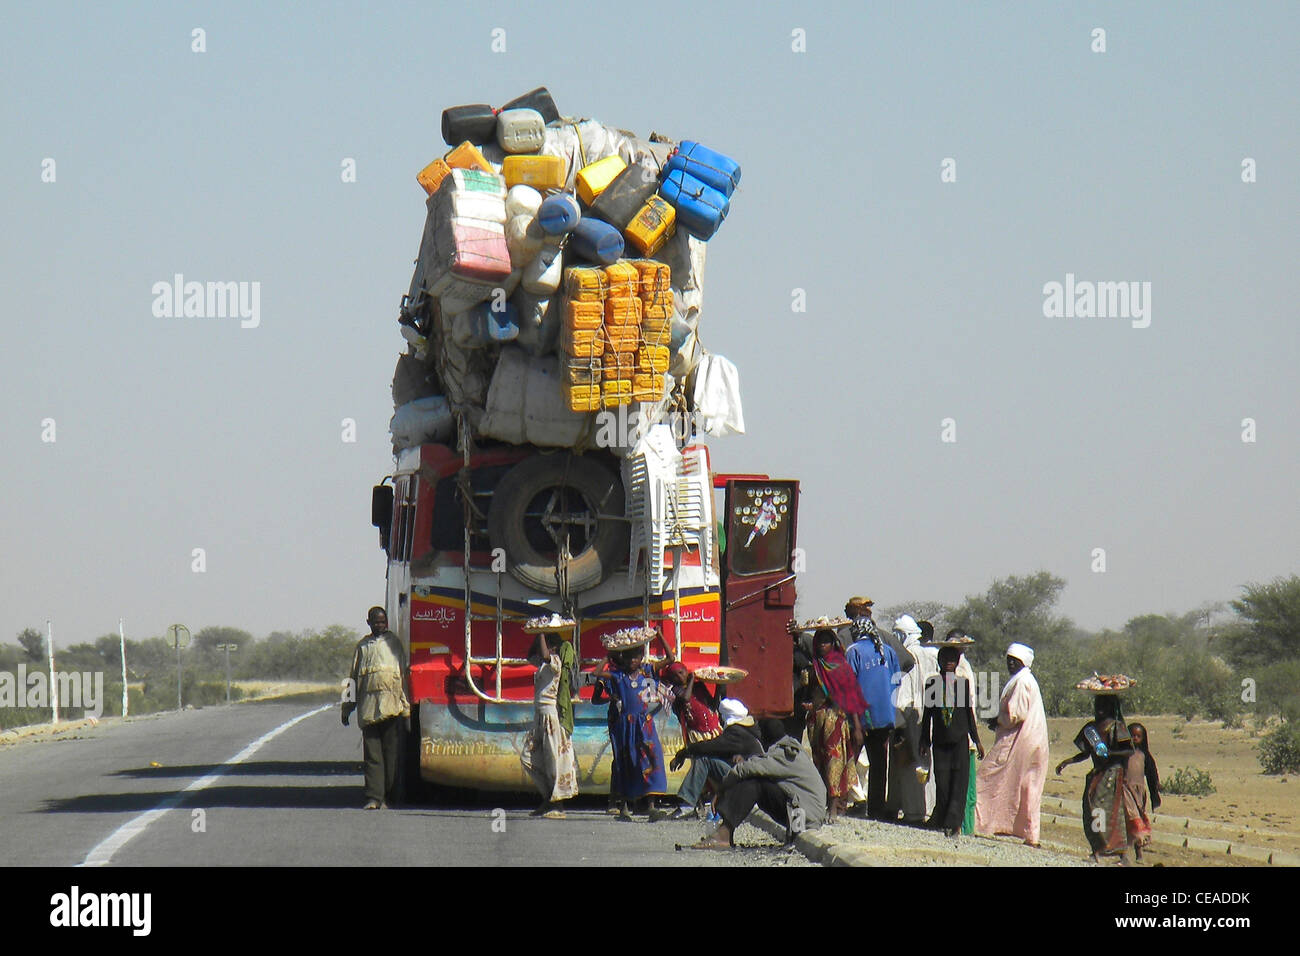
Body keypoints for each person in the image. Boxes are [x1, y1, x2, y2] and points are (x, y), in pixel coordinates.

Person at [691, 718, 827, 849]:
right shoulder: (793, 749)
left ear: (765, 739)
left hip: (804, 820)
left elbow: (746, 769)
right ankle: (725, 831)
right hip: (808, 814)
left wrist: (721, 789)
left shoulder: (784, 753)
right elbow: (757, 764)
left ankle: (724, 834)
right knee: (757, 778)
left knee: (755, 783)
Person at [1055, 693, 1145, 865]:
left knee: (1111, 812)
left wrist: (1110, 753)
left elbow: (1129, 751)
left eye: (1103, 705)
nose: (1100, 709)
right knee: (1092, 810)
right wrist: (1068, 762)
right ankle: (1097, 848)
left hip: (1112, 774)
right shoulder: (1090, 729)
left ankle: (1120, 853)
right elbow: (1086, 753)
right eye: (1098, 705)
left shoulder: (1117, 727)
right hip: (1097, 774)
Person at [975, 642, 1049, 845]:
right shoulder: (1025, 680)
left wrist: (997, 719)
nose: (1010, 664)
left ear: (1023, 662)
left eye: (1014, 661)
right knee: (1029, 788)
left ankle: (980, 822)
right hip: (1034, 740)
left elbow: (1015, 714)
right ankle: (1030, 835)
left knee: (986, 777)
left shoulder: (1023, 681)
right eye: (1008, 660)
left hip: (1020, 740)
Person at [592, 633, 669, 820]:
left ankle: (651, 805)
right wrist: (608, 655)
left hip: (644, 723)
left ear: (641, 657)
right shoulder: (618, 676)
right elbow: (596, 673)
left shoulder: (647, 671)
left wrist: (659, 634)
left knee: (651, 758)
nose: (632, 661)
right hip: (625, 724)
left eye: (636, 657)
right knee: (626, 762)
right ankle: (624, 806)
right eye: (628, 657)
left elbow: (670, 658)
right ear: (623, 659)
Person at [342, 607, 410, 810]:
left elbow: (404, 678)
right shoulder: (363, 646)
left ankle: (389, 797)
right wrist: (347, 708)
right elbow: (352, 678)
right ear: (368, 622)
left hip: (392, 706)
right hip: (369, 709)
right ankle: (374, 797)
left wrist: (406, 710)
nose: (380, 625)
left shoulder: (394, 644)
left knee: (392, 756)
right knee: (373, 757)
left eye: (383, 622)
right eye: (376, 622)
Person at [845, 602, 907, 820]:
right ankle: (876, 808)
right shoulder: (888, 651)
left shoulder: (853, 651)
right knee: (880, 761)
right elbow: (897, 680)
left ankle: (843, 801)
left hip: (862, 716)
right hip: (885, 715)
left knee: (849, 757)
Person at [919, 645, 984, 836]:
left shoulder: (962, 684)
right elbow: (927, 714)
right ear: (939, 661)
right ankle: (942, 819)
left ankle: (954, 824)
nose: (949, 662)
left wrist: (976, 739)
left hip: (959, 742)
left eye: (953, 659)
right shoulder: (933, 683)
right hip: (940, 743)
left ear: (957, 663)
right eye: (945, 658)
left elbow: (968, 713)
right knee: (943, 783)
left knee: (959, 783)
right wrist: (924, 739)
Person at [667, 697, 765, 819]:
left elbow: (709, 747)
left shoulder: (736, 732)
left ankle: (687, 806)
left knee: (704, 760)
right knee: (709, 758)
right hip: (750, 780)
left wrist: (683, 753)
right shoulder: (748, 731)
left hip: (746, 782)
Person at [808, 628, 866, 821]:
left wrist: (857, 727)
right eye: (820, 641)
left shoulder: (841, 666)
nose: (823, 645)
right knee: (818, 763)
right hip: (816, 721)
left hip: (836, 719)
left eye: (827, 641)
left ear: (833, 643)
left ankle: (834, 807)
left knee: (835, 763)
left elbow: (851, 697)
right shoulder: (814, 666)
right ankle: (821, 805)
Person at [520, 632, 579, 818]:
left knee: (554, 760)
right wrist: (537, 634)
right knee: (529, 757)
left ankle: (557, 804)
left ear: (553, 648)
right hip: (539, 717)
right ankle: (548, 797)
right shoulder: (542, 665)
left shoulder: (555, 663)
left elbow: (545, 654)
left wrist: (542, 634)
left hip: (551, 717)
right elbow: (530, 656)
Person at [655, 658, 723, 819]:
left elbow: (712, 703)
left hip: (713, 730)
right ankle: (696, 804)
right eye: (677, 674)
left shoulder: (699, 687)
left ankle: (703, 803)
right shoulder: (677, 692)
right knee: (701, 767)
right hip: (697, 734)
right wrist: (691, 680)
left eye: (683, 671)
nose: (682, 676)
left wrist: (719, 686)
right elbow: (686, 698)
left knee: (711, 767)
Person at [887, 615, 937, 825]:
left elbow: (904, 695)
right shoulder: (930, 655)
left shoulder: (908, 656)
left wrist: (898, 723)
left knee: (908, 764)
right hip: (928, 715)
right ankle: (926, 807)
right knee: (925, 764)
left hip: (910, 716)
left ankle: (913, 812)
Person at [1128, 722, 1161, 862]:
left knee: (1137, 820)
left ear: (1143, 738)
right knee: (1127, 820)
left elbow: (1152, 773)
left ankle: (1139, 852)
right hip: (1124, 791)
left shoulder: (1144, 756)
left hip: (1138, 794)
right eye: (1132, 735)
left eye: (1138, 736)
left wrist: (1156, 785)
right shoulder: (1123, 754)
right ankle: (1123, 854)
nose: (1135, 738)